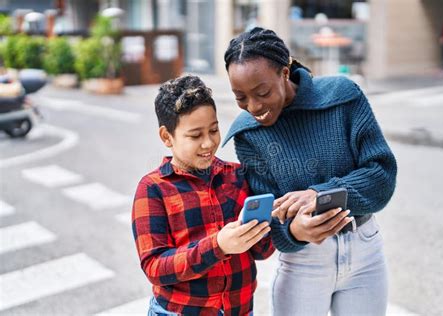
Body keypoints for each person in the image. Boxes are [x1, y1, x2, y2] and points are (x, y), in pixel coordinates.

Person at [222, 27, 397, 316]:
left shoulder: (343, 97)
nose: (253, 106)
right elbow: (269, 219)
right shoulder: (248, 135)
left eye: (262, 92)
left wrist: (320, 194)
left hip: (365, 251)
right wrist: (294, 231)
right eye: (240, 97)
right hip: (304, 262)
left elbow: (382, 177)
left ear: (285, 72)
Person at [132, 75, 274, 316]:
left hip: (239, 310)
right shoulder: (153, 188)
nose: (208, 143)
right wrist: (218, 245)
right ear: (167, 137)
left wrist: (263, 229)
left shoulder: (236, 176)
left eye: (214, 130)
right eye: (195, 136)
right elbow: (155, 267)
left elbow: (261, 251)